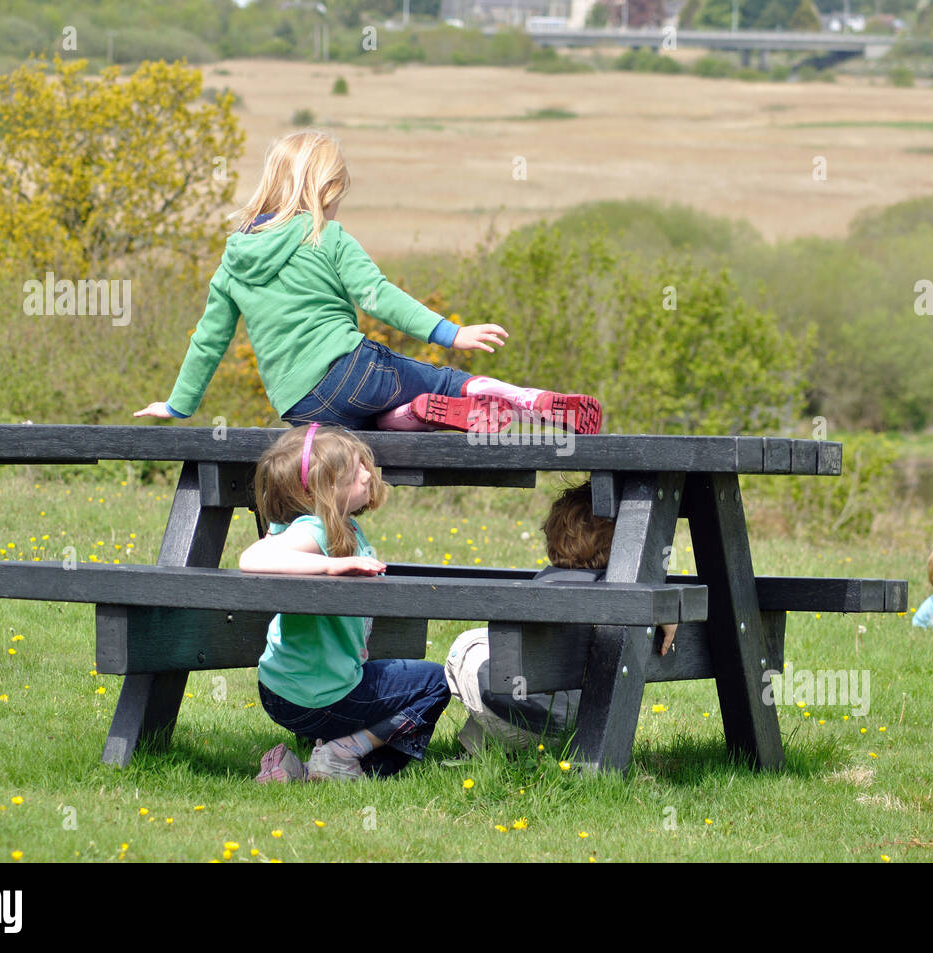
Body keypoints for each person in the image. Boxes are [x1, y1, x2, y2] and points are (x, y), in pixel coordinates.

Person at [134, 128, 601, 435]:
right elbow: (378, 295)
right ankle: (530, 401)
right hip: (349, 369)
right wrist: (450, 332)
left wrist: (179, 404)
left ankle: (411, 415)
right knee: (444, 380)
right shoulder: (325, 235)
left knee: (376, 426)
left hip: (302, 406)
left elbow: (208, 340)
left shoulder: (233, 258)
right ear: (328, 191)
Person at [240, 423, 450, 782]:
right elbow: (250, 559)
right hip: (324, 694)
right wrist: (332, 565)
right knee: (436, 683)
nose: (369, 475)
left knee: (384, 681)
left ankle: (296, 768)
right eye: (355, 473)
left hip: (283, 690)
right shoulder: (313, 529)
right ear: (324, 490)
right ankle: (344, 754)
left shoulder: (336, 526)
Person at [444, 480, 678, 753]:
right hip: (577, 725)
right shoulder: (616, 593)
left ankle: (476, 749)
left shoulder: (543, 582)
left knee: (471, 645)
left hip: (506, 711)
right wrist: (663, 609)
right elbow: (646, 602)